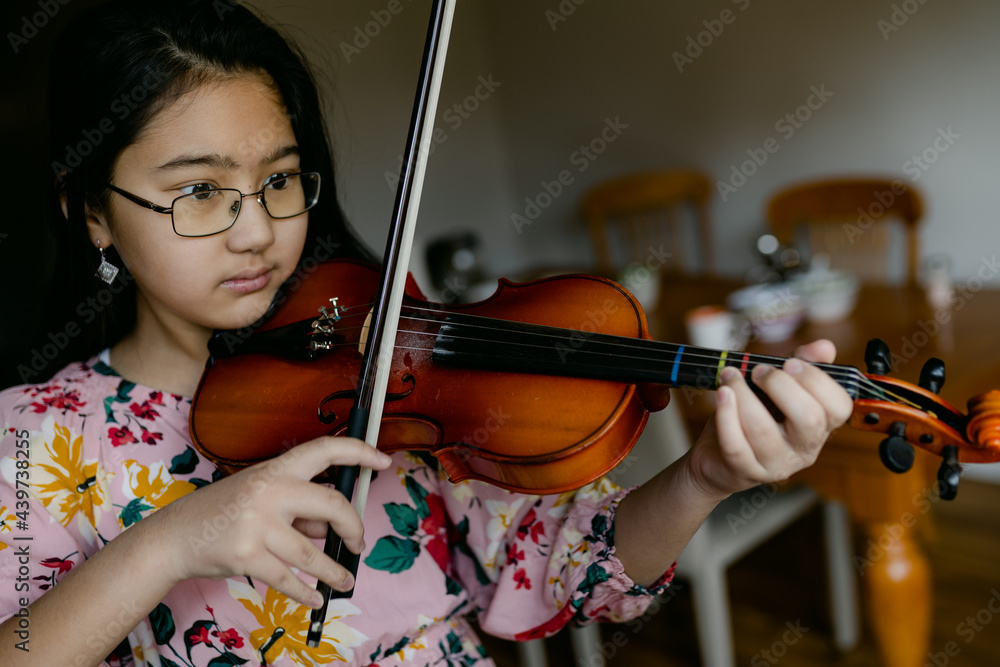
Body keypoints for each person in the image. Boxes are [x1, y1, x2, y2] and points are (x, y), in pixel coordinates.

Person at [0, 1, 854, 665]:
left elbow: (561, 559)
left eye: (281, 180)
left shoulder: (376, 358)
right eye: (199, 192)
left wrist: (704, 475)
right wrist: (171, 541)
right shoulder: (38, 440)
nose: (256, 230)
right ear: (93, 214)